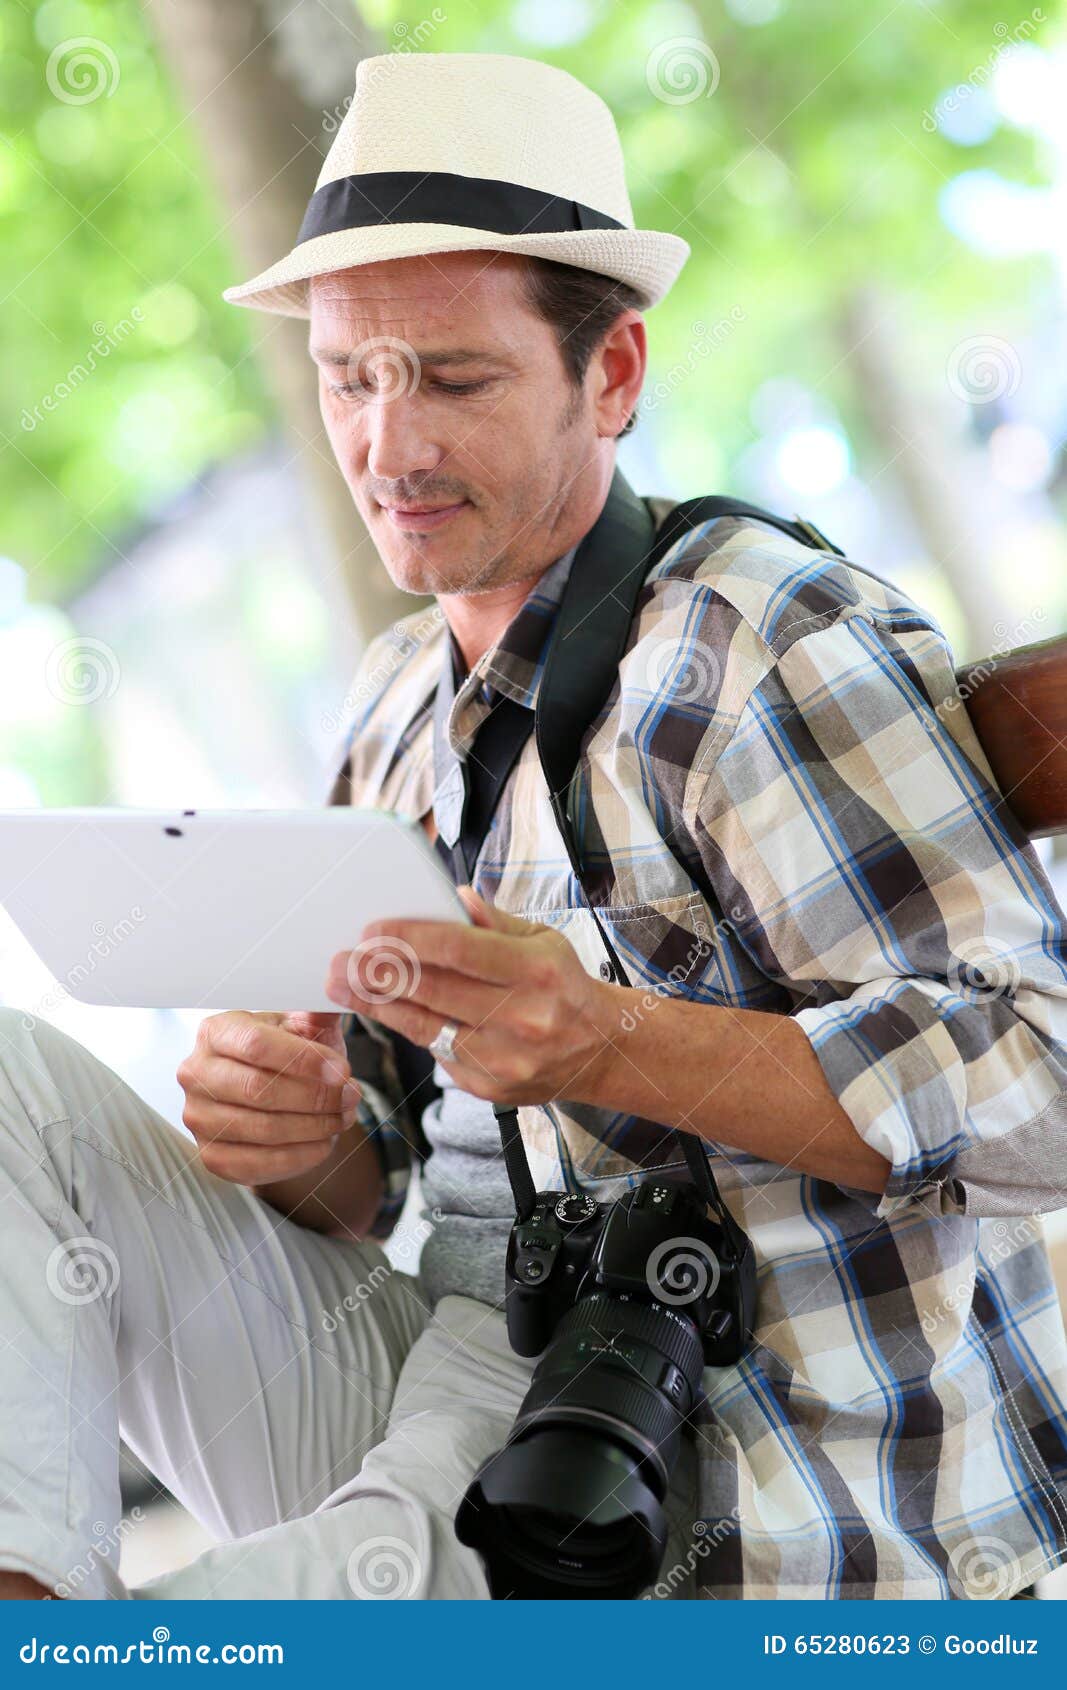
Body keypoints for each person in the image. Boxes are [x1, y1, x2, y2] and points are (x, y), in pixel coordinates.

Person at [2, 50, 1066, 1603]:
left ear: (614, 376)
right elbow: (382, 1170)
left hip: (763, 1509)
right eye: (350, 377)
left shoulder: (764, 637)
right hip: (478, 1391)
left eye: (454, 377)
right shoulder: (391, 707)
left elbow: (1043, 1072)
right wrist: (306, 1146)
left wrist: (607, 1042)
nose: (387, 445)